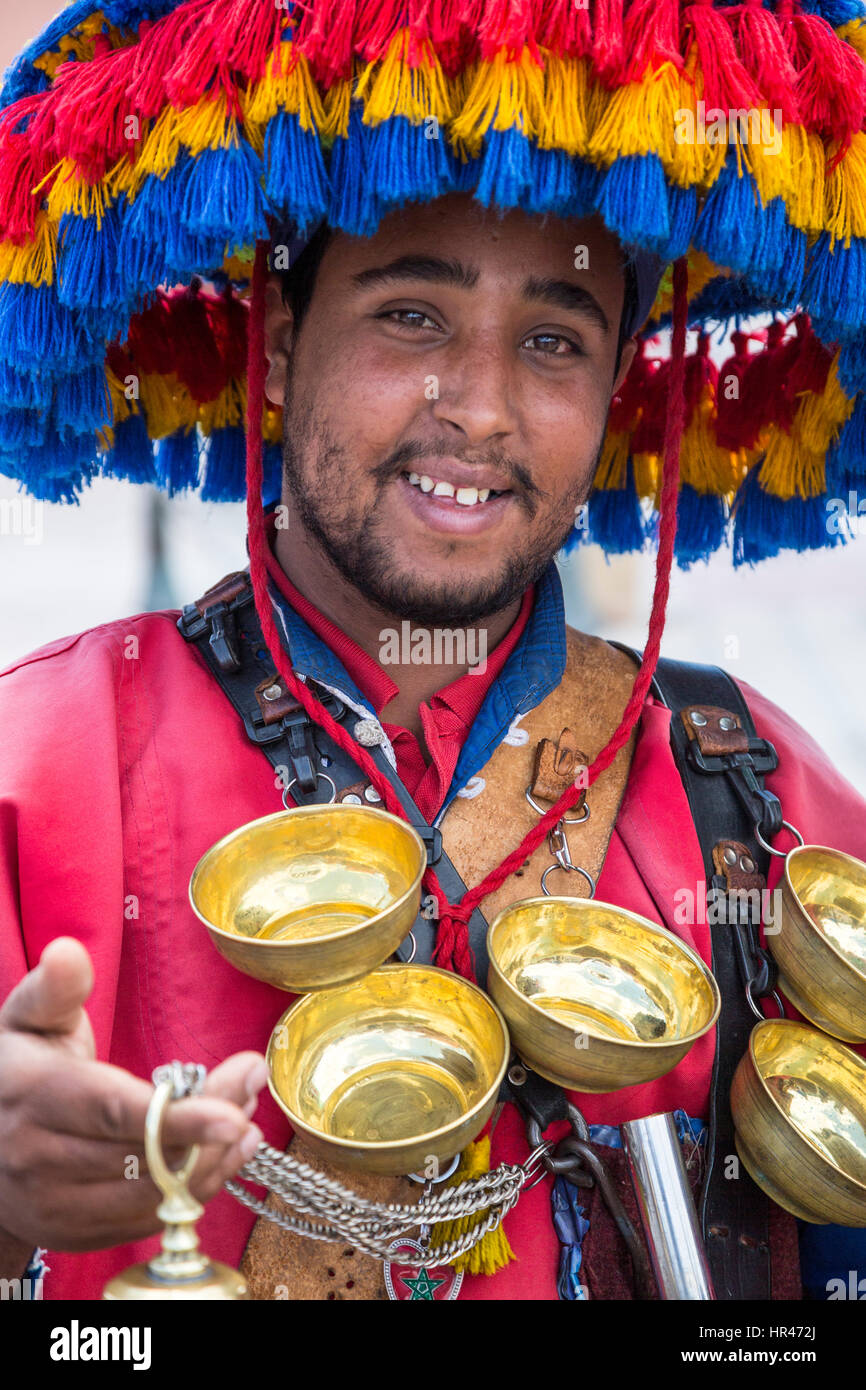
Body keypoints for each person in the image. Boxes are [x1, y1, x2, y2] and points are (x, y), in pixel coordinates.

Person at [1, 0, 865, 1302]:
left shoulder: (761, 795)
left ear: (615, 389)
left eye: (554, 339)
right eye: (412, 314)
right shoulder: (39, 763)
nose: (479, 405)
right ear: (282, 348)